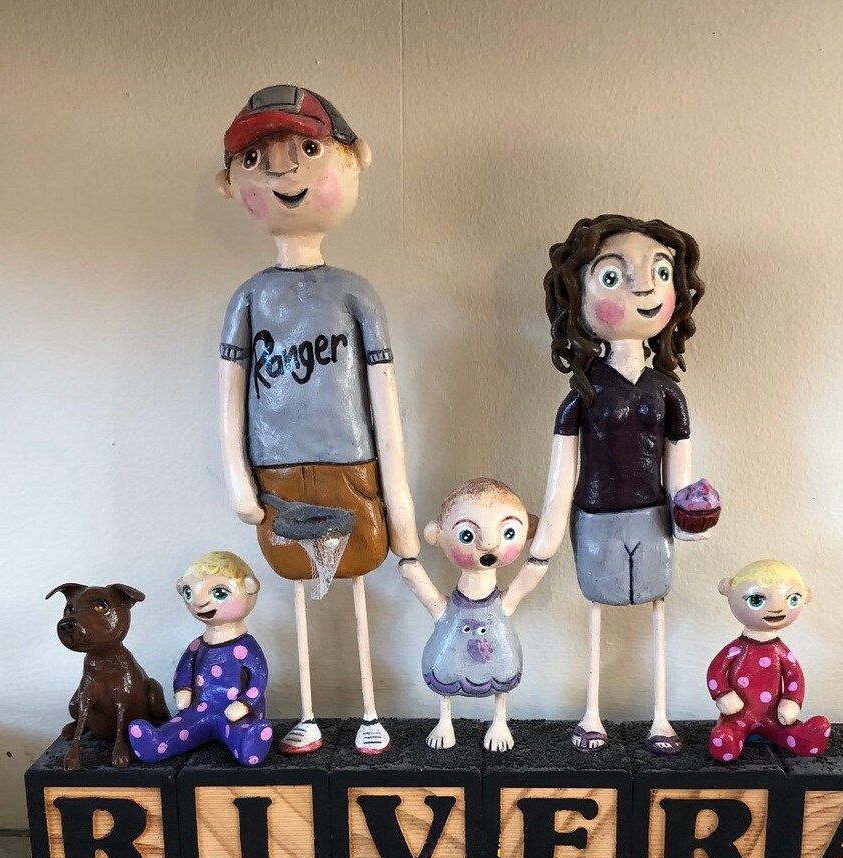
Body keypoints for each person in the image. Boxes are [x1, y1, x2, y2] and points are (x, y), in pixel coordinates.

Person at [215, 85, 419, 756]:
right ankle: (305, 709)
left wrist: (398, 496)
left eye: (307, 149)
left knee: (357, 583)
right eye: (259, 158)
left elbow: (385, 402)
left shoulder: (357, 293)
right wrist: (238, 482)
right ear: (231, 181)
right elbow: (230, 394)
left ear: (354, 160)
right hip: (278, 471)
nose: (284, 172)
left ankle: (367, 709)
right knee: (299, 591)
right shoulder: (249, 297)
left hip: (352, 467)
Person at [509, 214, 713, 754]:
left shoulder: (668, 393)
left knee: (657, 609)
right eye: (612, 276)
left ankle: (660, 716)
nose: (644, 286)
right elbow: (561, 476)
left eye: (660, 272)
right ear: (574, 299)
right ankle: (592, 712)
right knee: (595, 612)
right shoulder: (583, 396)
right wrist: (546, 542)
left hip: (652, 516)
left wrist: (688, 515)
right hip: (595, 517)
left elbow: (680, 465)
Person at [398, 479, 537, 752]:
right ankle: (445, 721)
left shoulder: (502, 604)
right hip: (453, 628)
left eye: (508, 532)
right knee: (445, 670)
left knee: (501, 673)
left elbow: (526, 580)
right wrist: (410, 567)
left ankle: (499, 720)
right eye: (467, 536)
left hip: (495, 633)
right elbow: (426, 594)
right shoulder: (449, 609)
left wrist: (539, 560)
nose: (489, 546)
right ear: (437, 535)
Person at [128, 552, 273, 765]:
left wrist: (245, 703)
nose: (199, 602)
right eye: (188, 592)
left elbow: (258, 677)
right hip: (199, 709)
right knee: (181, 726)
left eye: (219, 593)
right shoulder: (197, 645)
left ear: (249, 588)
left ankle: (248, 742)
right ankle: (155, 743)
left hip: (236, 712)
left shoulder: (246, 647)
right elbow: (185, 668)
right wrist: (183, 689)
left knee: (238, 729)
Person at [706, 559, 831, 761]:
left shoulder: (780, 651)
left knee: (785, 729)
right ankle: (727, 741)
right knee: (731, 729)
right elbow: (715, 671)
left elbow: (794, 677)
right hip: (738, 714)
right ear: (729, 592)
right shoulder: (736, 649)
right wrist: (723, 695)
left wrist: (791, 702)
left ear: (805, 597)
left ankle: (806, 739)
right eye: (756, 600)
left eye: (792, 599)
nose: (777, 609)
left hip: (773, 716)